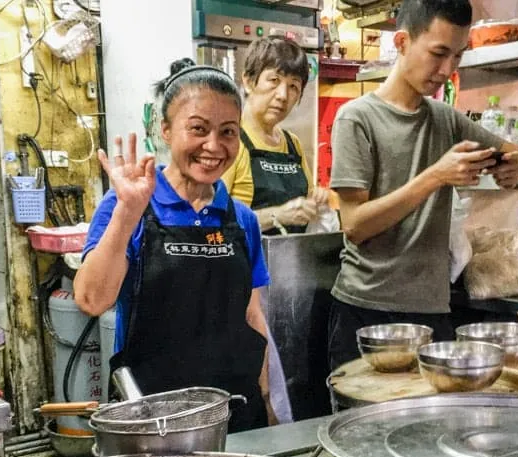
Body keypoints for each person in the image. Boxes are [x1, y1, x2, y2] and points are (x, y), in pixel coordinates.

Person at [327, 0, 518, 370]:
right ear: (401, 42)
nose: (447, 70)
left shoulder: (447, 120)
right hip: (367, 312)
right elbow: (356, 225)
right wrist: (436, 176)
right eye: (438, 53)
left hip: (431, 313)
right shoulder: (357, 118)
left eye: (458, 56)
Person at [75, 59, 272, 432]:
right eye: (198, 129)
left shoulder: (241, 218)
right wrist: (128, 212)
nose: (213, 146)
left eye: (228, 132)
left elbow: (253, 316)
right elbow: (91, 300)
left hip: (234, 409)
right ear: (165, 130)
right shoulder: (127, 206)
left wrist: (267, 398)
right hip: (153, 414)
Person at [222, 36, 331, 235]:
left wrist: (316, 201)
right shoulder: (229, 141)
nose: (283, 95)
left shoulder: (292, 143)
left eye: (293, 86)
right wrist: (276, 216)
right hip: (244, 263)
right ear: (248, 82)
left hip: (290, 261)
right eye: (274, 80)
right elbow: (212, 219)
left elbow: (306, 199)